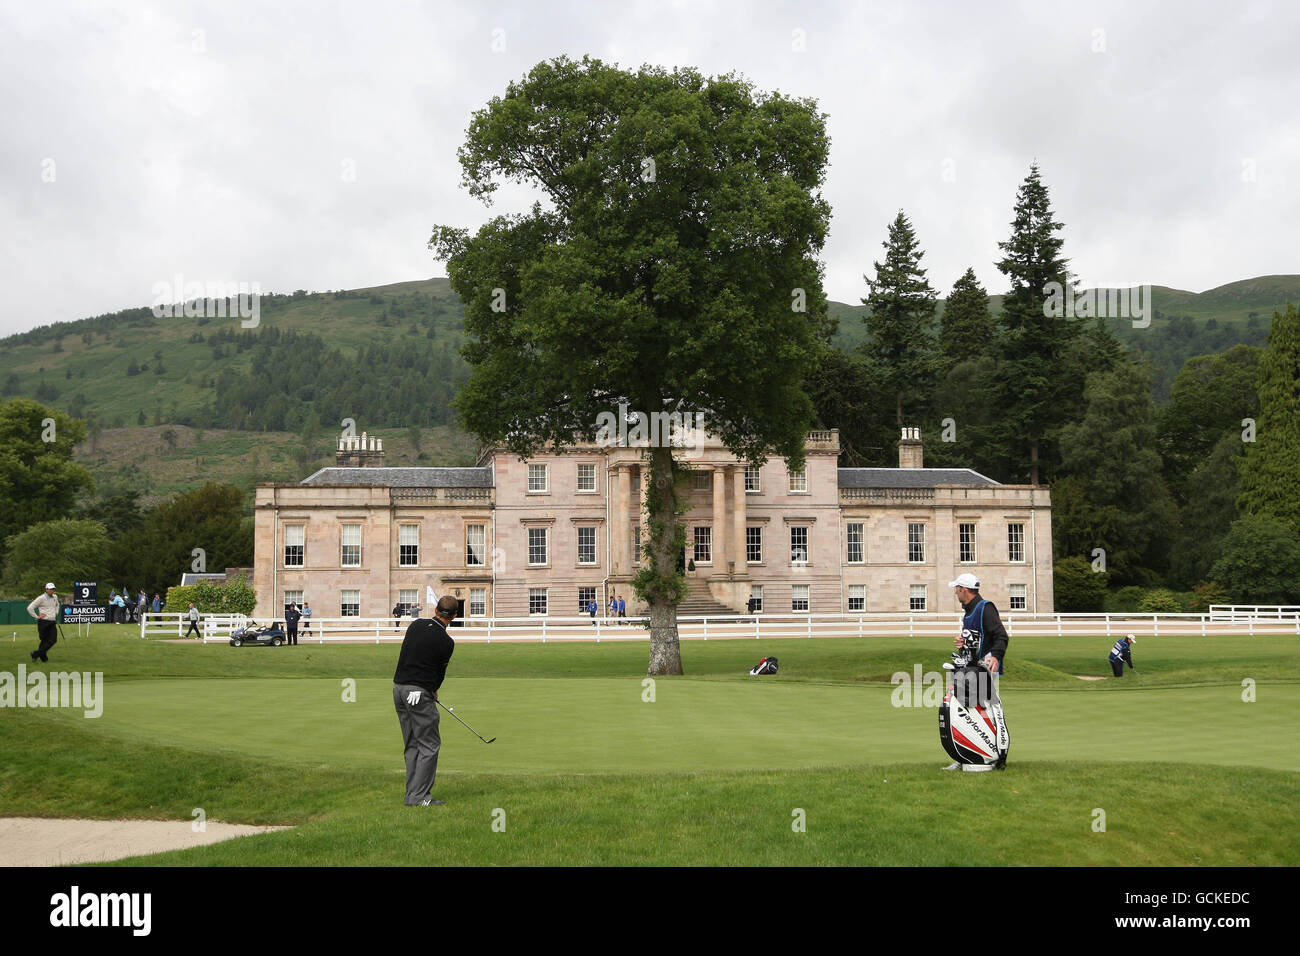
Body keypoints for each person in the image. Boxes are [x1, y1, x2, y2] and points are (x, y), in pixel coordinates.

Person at [392, 594, 457, 806]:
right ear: (454, 616)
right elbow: (439, 673)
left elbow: (410, 654)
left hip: (399, 689)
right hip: (418, 693)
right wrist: (433, 689)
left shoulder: (416, 625)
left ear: (436, 610)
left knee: (411, 744)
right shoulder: (447, 642)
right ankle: (420, 797)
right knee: (429, 745)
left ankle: (412, 795)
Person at [945, 572, 1010, 771]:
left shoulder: (985, 608)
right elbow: (974, 640)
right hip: (969, 671)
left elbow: (1001, 636)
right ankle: (966, 755)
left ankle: (989, 757)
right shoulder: (969, 612)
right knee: (967, 713)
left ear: (964, 590)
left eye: (957, 589)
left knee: (983, 715)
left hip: (984, 670)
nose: (956, 593)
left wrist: (996, 656)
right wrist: (962, 643)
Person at [27, 582, 60, 663]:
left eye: (53, 589)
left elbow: (57, 605)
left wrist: (56, 612)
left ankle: (35, 654)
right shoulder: (41, 598)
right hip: (43, 622)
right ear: (46, 589)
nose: (52, 590)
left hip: (52, 622)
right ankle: (43, 658)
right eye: (50, 589)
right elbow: (30, 608)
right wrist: (37, 617)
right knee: (44, 640)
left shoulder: (55, 597)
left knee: (53, 640)